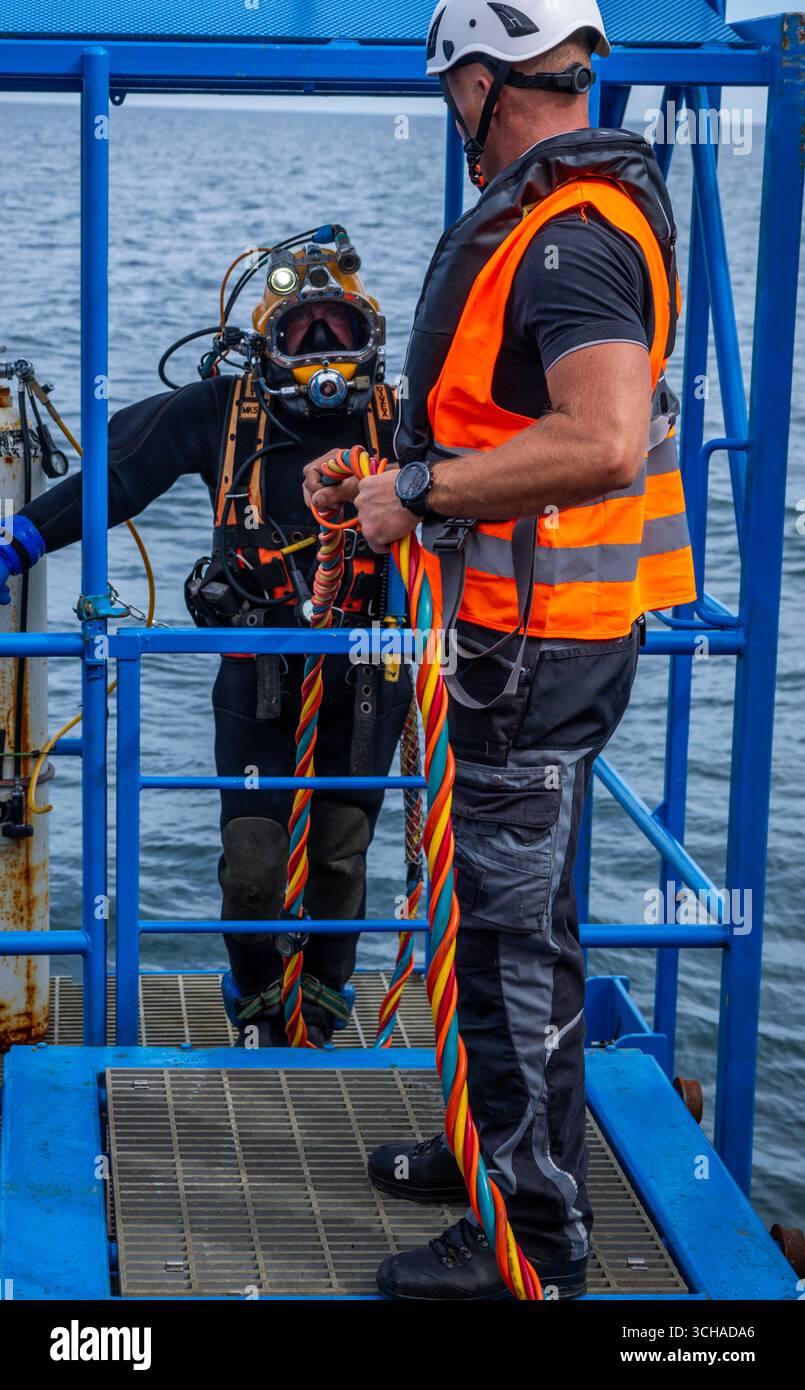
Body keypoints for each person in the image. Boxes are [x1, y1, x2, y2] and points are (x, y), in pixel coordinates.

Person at [303, 0, 696, 1298]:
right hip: (532, 641)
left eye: (450, 93)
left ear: (479, 81)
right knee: (527, 927)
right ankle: (499, 1154)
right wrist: (392, 474)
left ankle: (530, 1238)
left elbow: (598, 437)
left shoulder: (571, 238)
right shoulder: (571, 215)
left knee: (513, 944)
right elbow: (505, 432)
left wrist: (411, 500)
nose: (452, 119)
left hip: (534, 653)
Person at [0, 227, 412, 1048]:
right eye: (302, 333)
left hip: (368, 667)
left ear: (373, 338)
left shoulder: (403, 420)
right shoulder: (225, 413)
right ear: (264, 342)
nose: (324, 352)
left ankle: (323, 1004)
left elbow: (485, 481)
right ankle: (259, 1000)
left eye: (341, 332)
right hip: (257, 667)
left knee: (340, 847)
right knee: (256, 860)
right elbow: (116, 475)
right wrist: (18, 544)